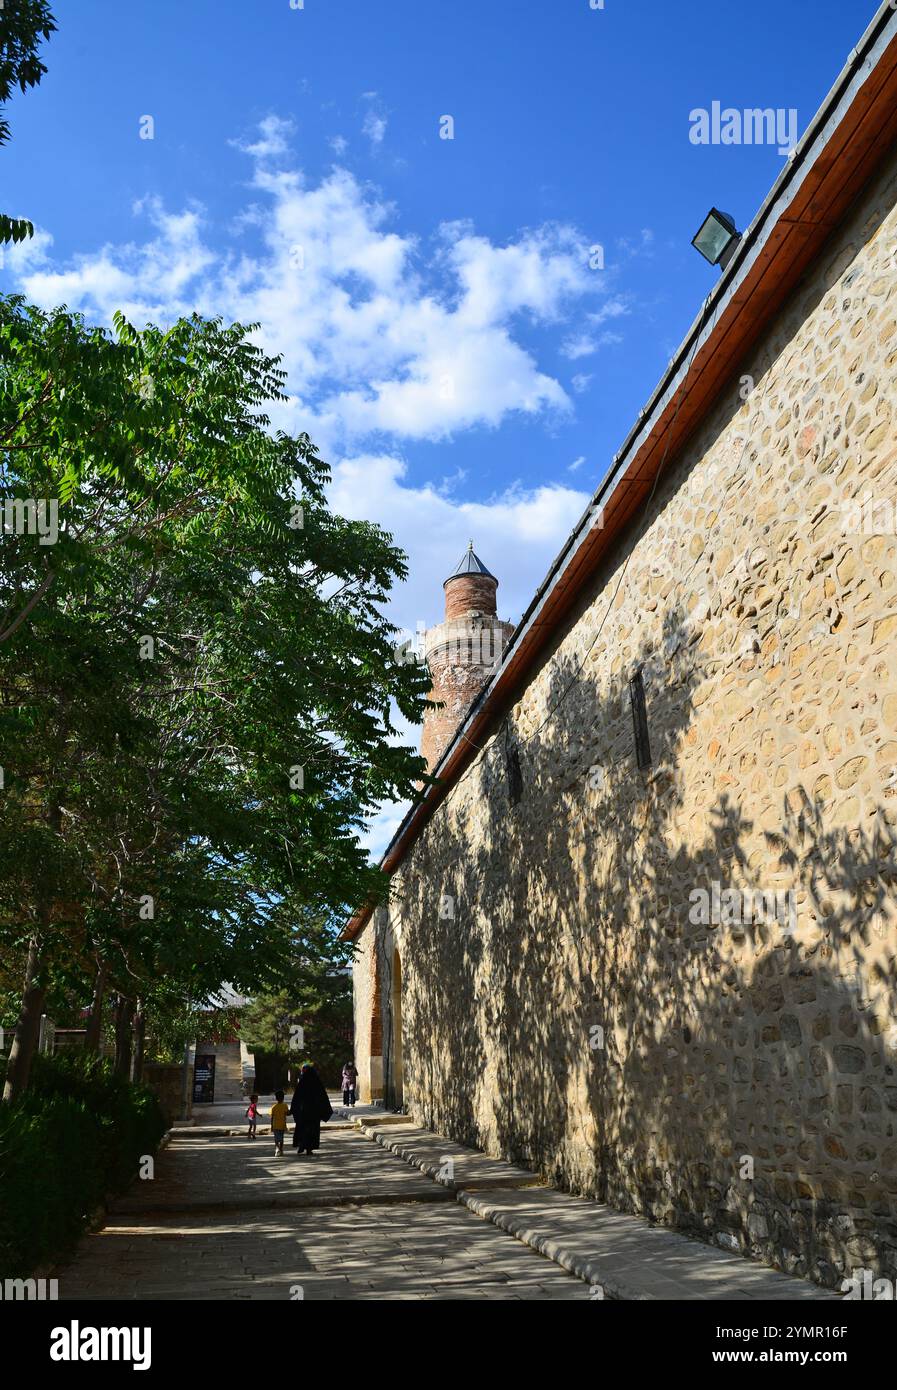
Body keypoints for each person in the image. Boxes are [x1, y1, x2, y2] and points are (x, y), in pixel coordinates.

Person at [290, 1063, 332, 1155]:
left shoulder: (302, 1082)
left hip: (303, 1111)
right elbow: (323, 1097)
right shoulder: (317, 1082)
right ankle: (309, 1149)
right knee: (312, 1130)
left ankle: (301, 1145)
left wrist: (294, 1109)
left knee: (302, 1128)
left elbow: (296, 1097)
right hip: (314, 1112)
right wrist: (324, 1110)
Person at [270, 1090, 288, 1157]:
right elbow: (287, 1113)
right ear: (283, 1098)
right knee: (281, 1138)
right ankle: (281, 1149)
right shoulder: (285, 1106)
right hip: (282, 1125)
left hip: (275, 1125)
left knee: (276, 1139)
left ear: (276, 1098)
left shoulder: (274, 1107)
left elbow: (272, 1117)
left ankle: (277, 1149)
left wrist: (271, 1126)